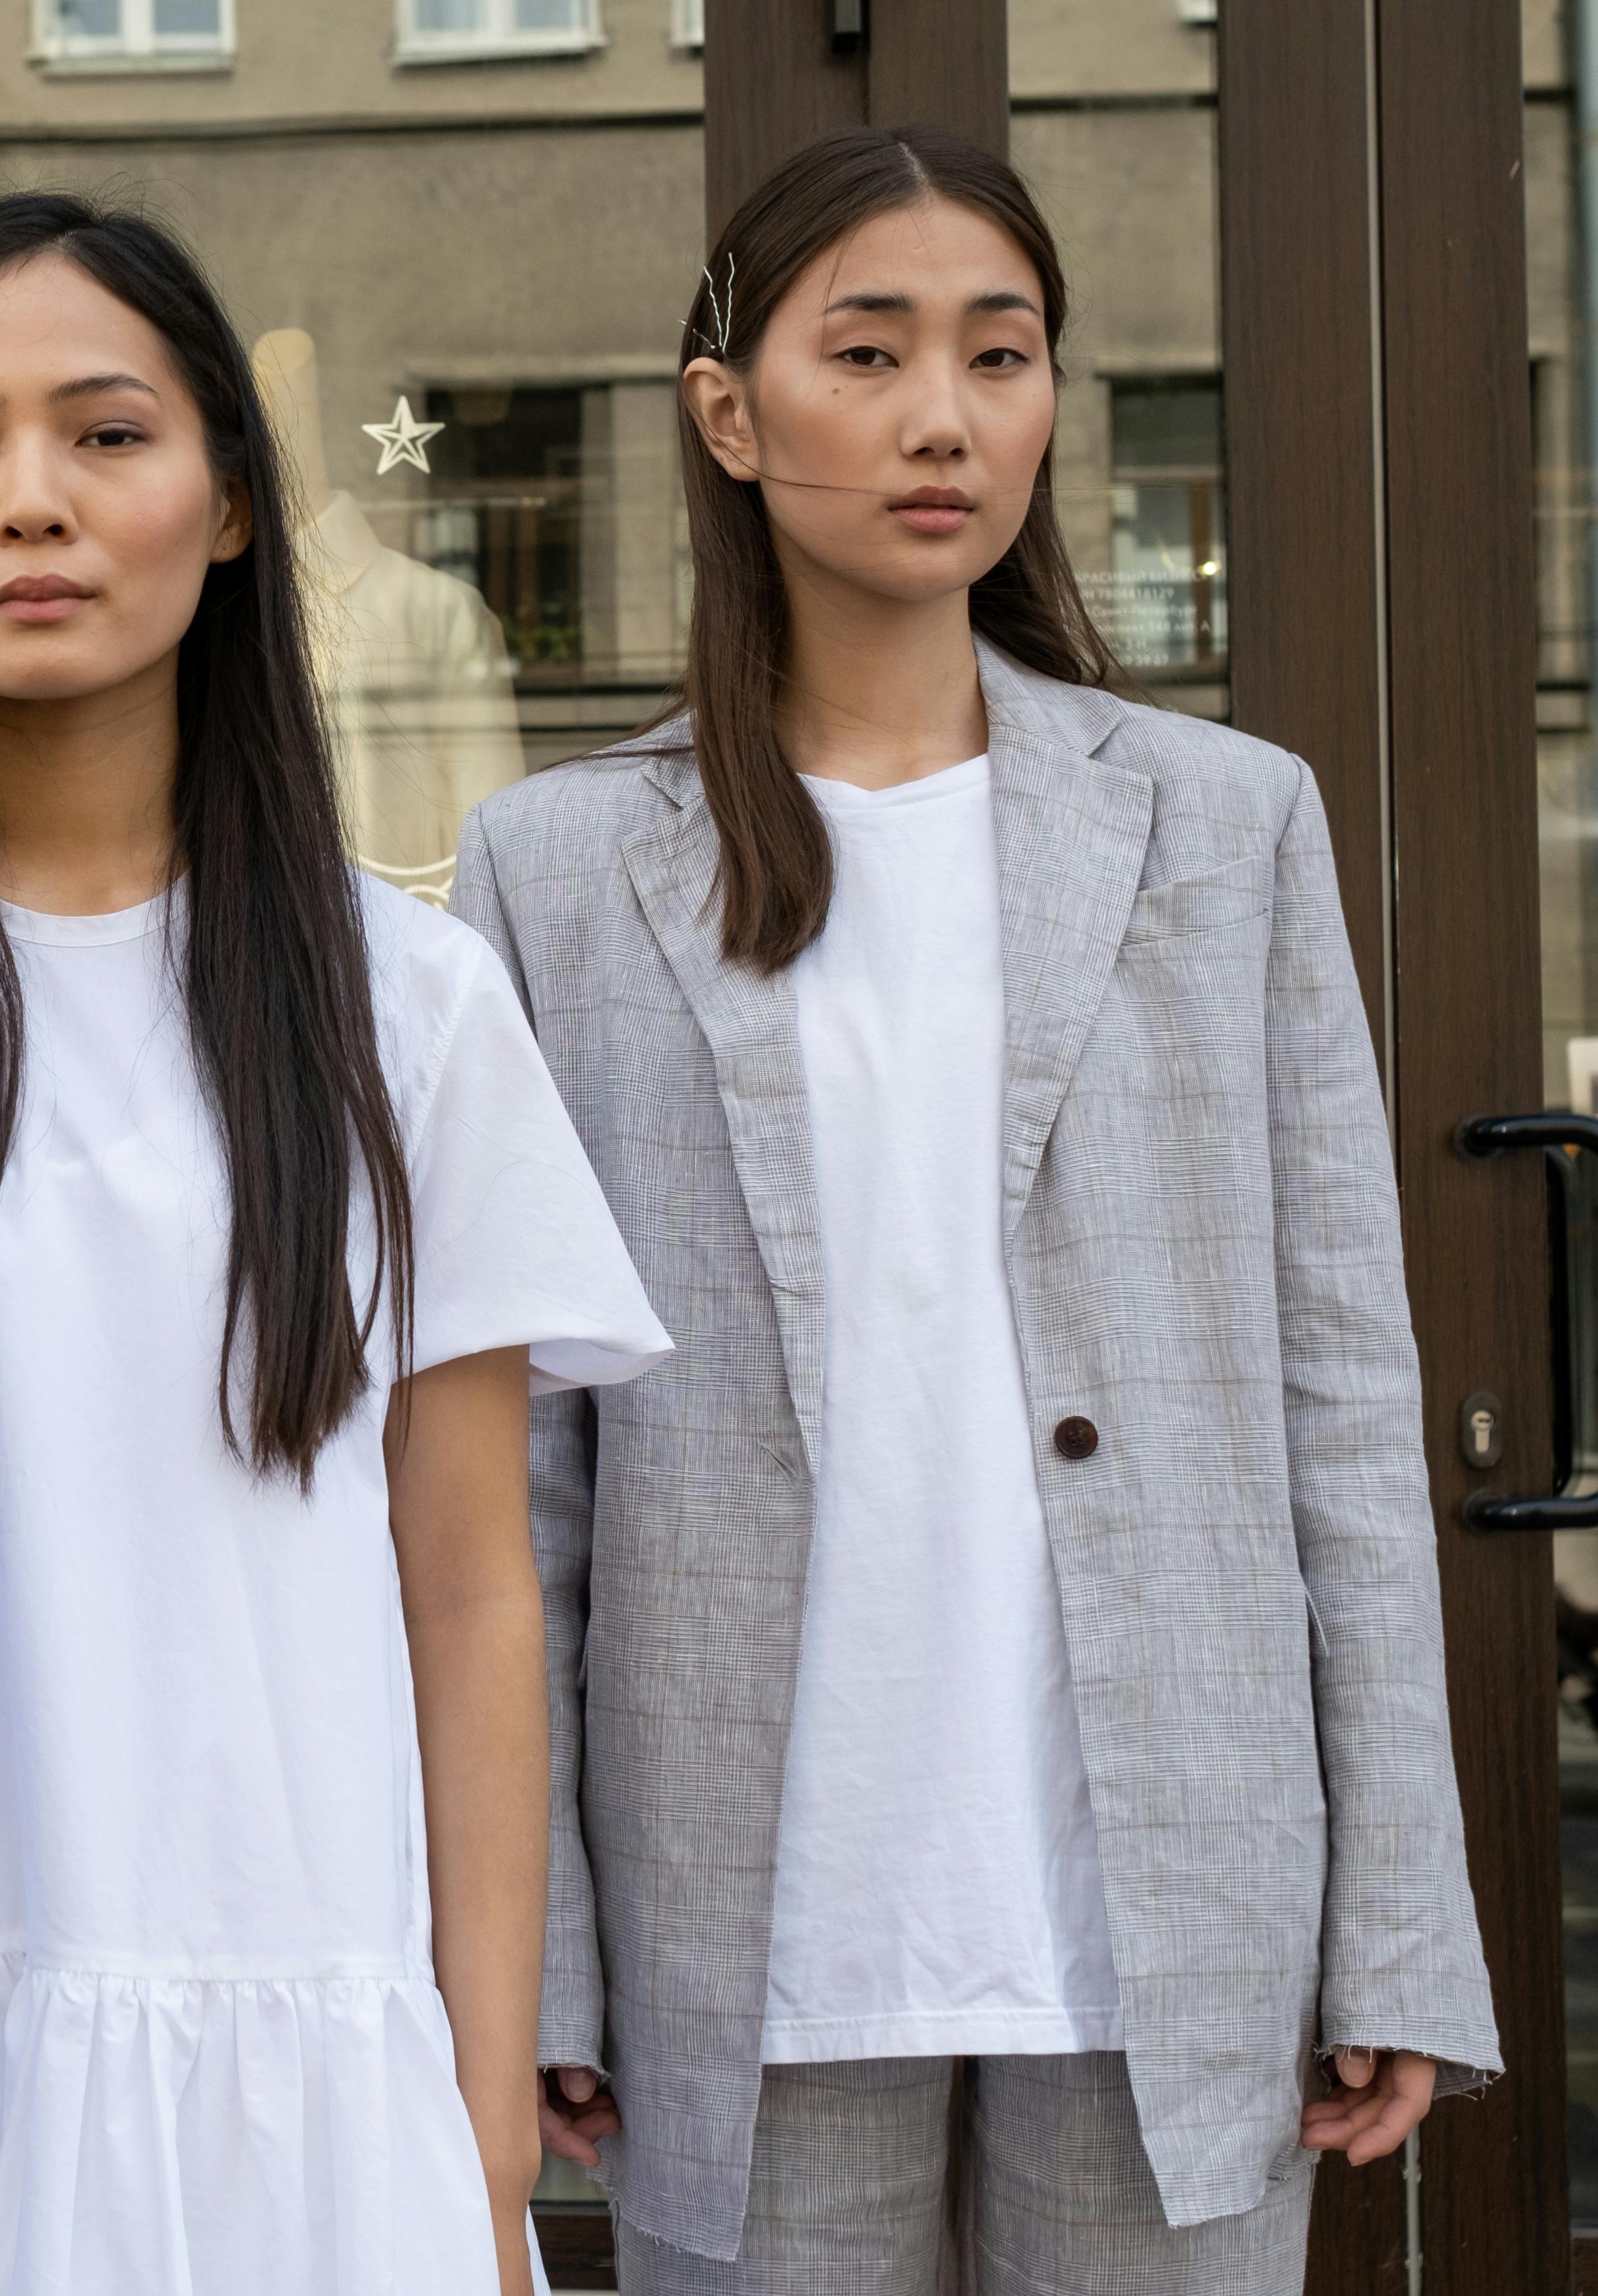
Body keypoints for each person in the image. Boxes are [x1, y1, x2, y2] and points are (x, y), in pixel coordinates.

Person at [452, 126, 1501, 2293]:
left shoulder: (1221, 827)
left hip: (1164, 1898)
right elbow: (519, 1481)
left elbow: (1336, 1397)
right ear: (727, 412)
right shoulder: (556, 871)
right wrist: (538, 1958)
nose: (943, 417)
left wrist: (1392, 1904)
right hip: (740, 1915)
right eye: (868, 351)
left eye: (998, 355)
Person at [0, 192, 671, 2296]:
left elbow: (468, 1589)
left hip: (297, 2041)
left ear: (232, 510)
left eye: (105, 435)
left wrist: (475, 2132)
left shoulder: (408, 1002)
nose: (32, 502)